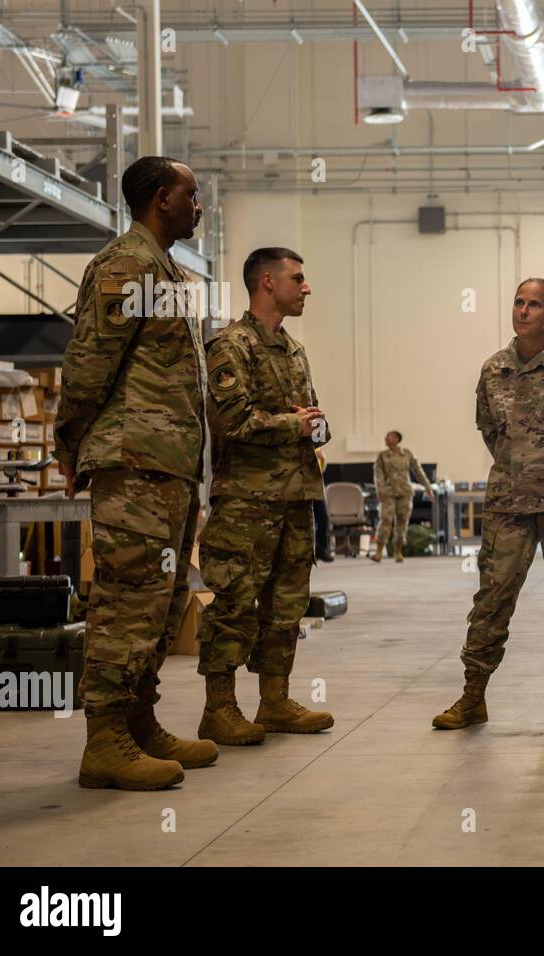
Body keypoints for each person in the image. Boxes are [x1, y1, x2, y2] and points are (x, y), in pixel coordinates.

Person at [56, 155, 216, 790]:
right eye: (190, 195)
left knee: (161, 601)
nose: (197, 206)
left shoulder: (165, 269)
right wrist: (69, 442)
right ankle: (105, 741)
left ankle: (140, 722)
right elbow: (90, 363)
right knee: (126, 602)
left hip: (169, 467)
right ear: (159, 199)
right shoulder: (126, 265)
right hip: (134, 464)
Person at [433, 279, 544, 733]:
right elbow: (491, 432)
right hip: (509, 502)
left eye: (534, 305)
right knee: (492, 597)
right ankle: (473, 697)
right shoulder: (494, 369)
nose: (524, 311)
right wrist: (521, 467)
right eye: (518, 302)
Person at [196, 248, 334, 745]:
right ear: (268, 283)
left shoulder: (293, 350)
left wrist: (315, 427)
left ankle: (274, 701)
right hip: (245, 502)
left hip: (296, 497)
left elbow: (307, 419)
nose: (307, 287)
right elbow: (232, 421)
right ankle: (220, 708)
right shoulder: (231, 346)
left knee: (286, 604)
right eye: (298, 278)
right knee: (234, 601)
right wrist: (294, 424)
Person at [373, 432, 435, 562]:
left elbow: (418, 470)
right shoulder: (382, 456)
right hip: (388, 491)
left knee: (402, 521)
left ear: (396, 439)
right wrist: (379, 489)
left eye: (389, 436)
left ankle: (398, 552)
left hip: (405, 492)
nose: (386, 438)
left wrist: (427, 487)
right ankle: (378, 552)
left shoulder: (407, 453)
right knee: (385, 519)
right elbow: (378, 474)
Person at [313, 449, 333, 562]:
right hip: (300, 486)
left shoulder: (318, 448)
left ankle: (321, 550)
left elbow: (321, 470)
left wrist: (323, 459)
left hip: (317, 486)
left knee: (323, 518)